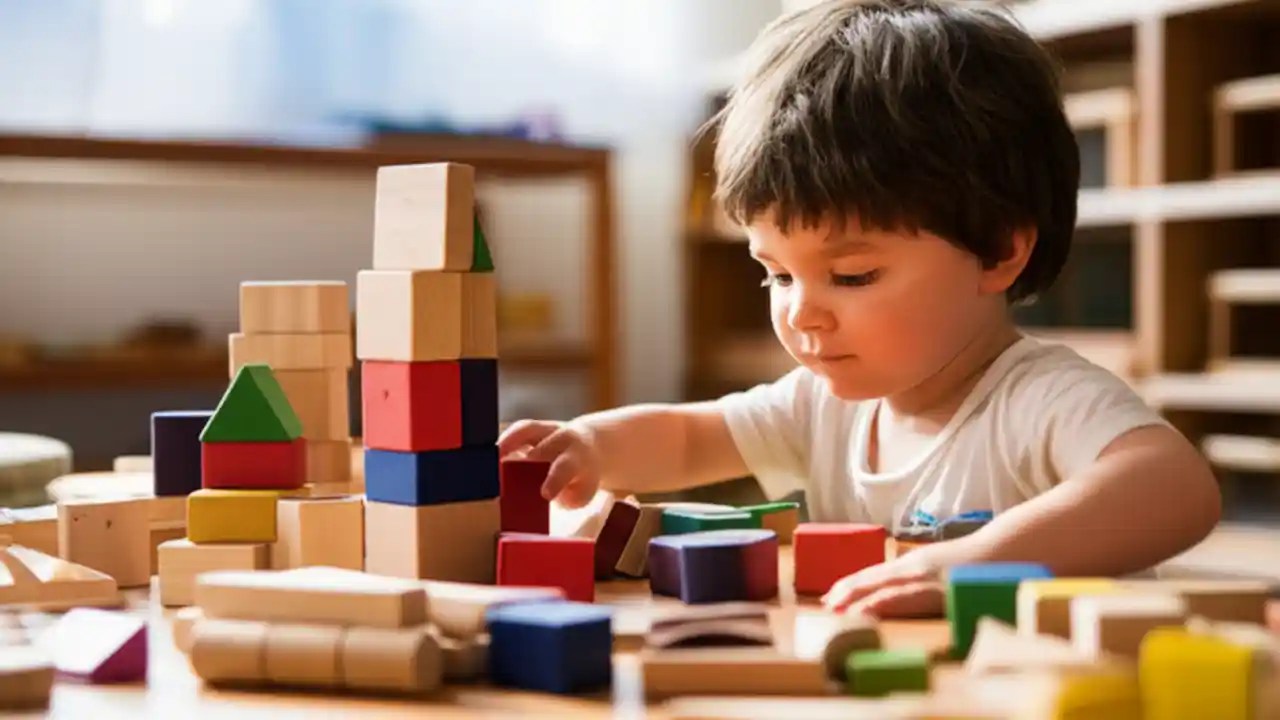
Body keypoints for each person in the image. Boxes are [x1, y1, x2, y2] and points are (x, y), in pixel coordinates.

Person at [497, 0, 1220, 617]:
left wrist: (968, 563)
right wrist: (589, 445)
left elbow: (1175, 490)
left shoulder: (1039, 400)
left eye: (852, 275)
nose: (802, 315)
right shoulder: (825, 405)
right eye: (776, 275)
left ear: (998, 251)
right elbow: (691, 438)